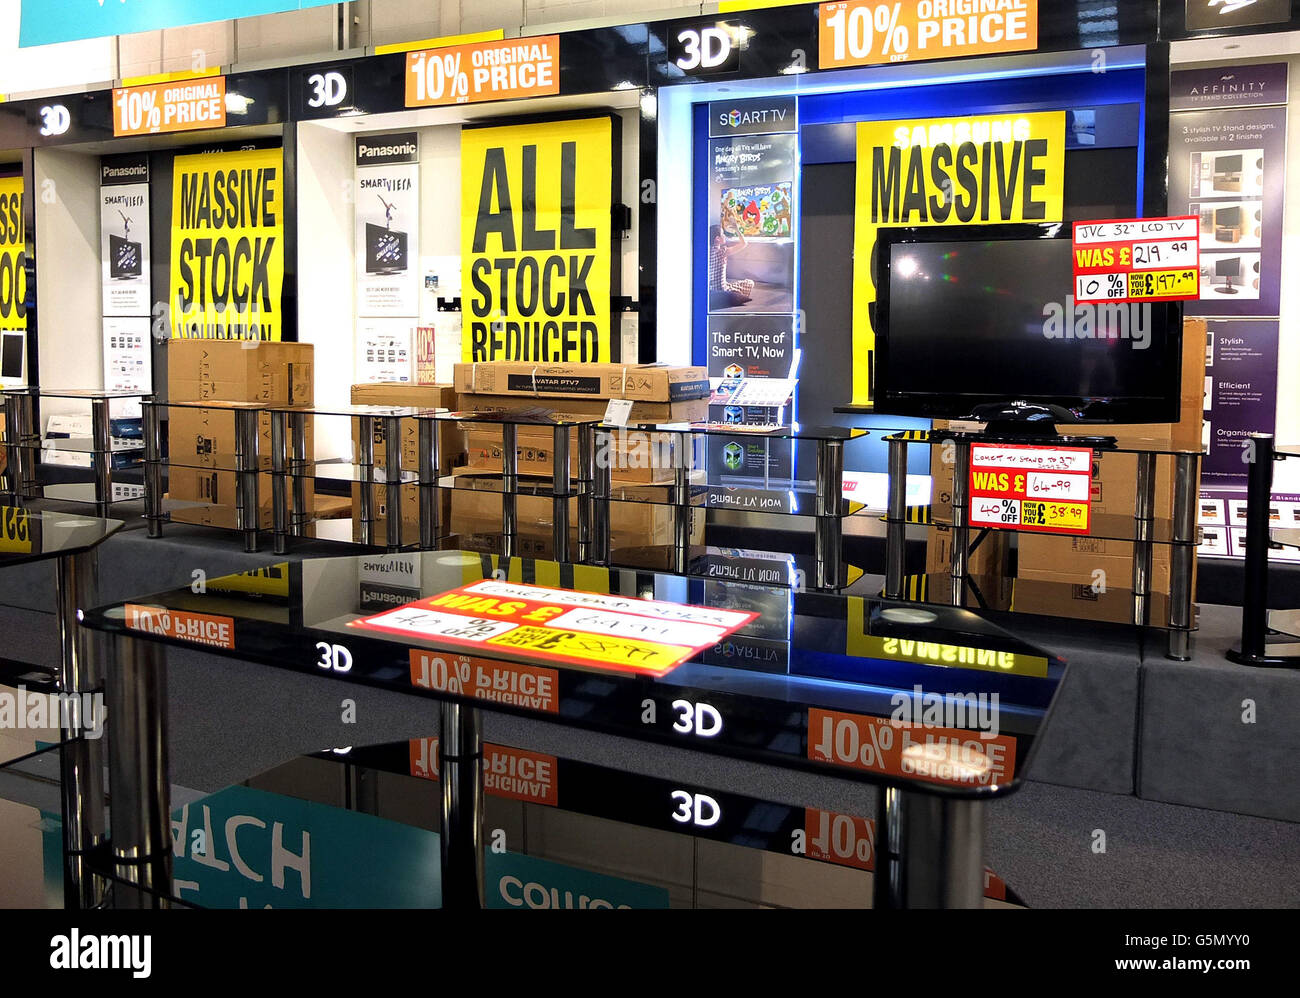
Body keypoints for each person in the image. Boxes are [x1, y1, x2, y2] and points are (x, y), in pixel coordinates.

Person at [708, 224, 753, 307]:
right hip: (723, 290)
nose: (724, 236)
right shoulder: (723, 252)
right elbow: (744, 244)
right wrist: (737, 229)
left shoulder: (706, 252)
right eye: (723, 234)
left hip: (711, 289)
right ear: (717, 239)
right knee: (750, 283)